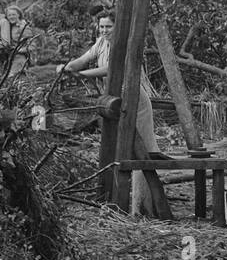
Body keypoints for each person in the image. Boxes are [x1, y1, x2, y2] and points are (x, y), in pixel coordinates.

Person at [63, 11, 163, 158]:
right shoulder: (101, 42)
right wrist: (67, 68)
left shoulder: (125, 44)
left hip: (134, 99)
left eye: (108, 27)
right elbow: (82, 60)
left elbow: (111, 69)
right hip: (114, 100)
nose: (104, 30)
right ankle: (121, 179)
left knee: (144, 147)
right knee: (118, 146)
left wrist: (82, 74)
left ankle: (146, 180)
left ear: (117, 27)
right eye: (101, 26)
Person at [4, 4, 34, 75]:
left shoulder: (23, 27)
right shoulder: (9, 27)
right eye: (9, 15)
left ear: (19, 15)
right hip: (11, 58)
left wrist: (19, 50)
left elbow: (32, 46)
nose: (11, 17)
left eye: (13, 14)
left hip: (20, 58)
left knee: (14, 79)